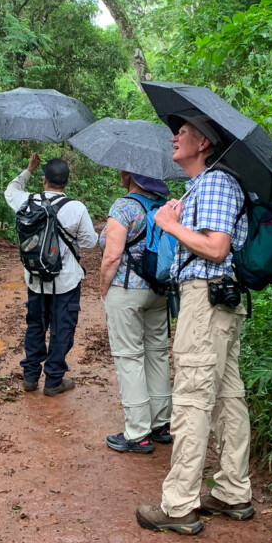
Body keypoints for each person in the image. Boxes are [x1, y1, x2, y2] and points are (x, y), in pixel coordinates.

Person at [136, 117, 252, 536]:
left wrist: (170, 225)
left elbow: (217, 249)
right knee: (226, 396)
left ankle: (179, 505)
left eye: (182, 132)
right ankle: (233, 492)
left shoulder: (216, 182)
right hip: (215, 301)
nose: (174, 137)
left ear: (203, 143)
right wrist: (177, 219)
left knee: (191, 397)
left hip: (206, 300)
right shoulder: (202, 186)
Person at [5, 152, 97, 396]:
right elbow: (89, 243)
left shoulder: (28, 201)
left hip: (35, 279)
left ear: (44, 180)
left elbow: (10, 191)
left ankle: (30, 376)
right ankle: (54, 380)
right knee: (62, 329)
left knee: (35, 326)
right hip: (65, 282)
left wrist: (29, 169)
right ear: (67, 182)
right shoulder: (76, 208)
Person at [99, 172, 173, 454]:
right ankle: (161, 425)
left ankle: (137, 433)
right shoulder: (164, 206)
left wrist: (103, 288)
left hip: (126, 288)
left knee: (129, 357)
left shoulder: (124, 206)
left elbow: (112, 256)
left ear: (130, 174)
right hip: (158, 290)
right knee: (157, 354)